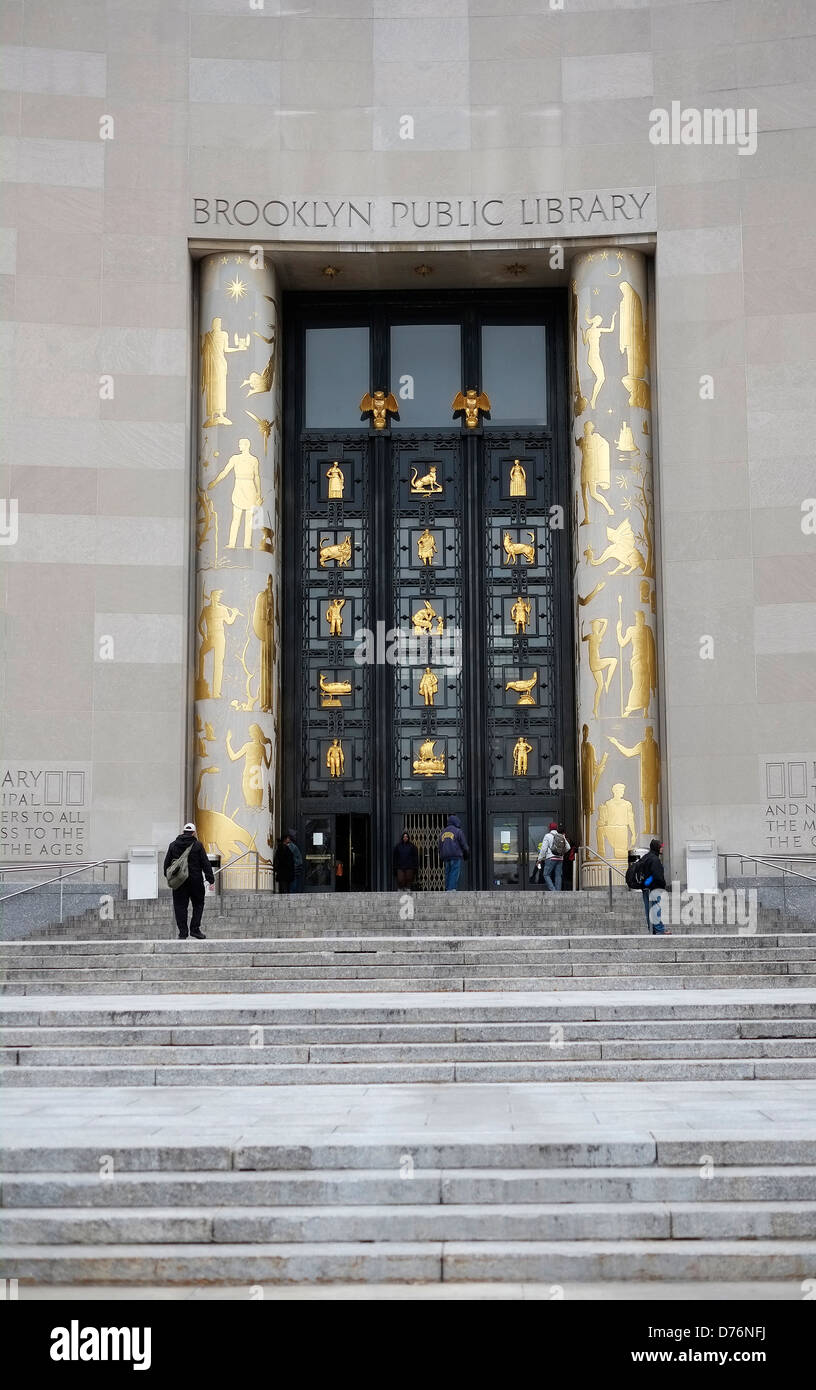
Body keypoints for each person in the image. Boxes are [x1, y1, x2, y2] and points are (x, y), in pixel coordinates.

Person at [163, 822, 214, 940]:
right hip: (195, 881)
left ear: (183, 832)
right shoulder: (198, 845)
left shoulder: (173, 845)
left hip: (179, 882)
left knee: (180, 906)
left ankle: (182, 933)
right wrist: (210, 878)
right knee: (198, 904)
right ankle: (195, 929)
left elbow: (166, 864)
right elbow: (205, 863)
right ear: (193, 832)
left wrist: (170, 877)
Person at [637, 837, 670, 935]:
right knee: (656, 909)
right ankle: (659, 929)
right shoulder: (655, 859)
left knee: (649, 910)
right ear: (656, 847)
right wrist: (663, 886)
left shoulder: (646, 857)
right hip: (654, 888)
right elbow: (657, 875)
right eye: (661, 846)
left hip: (646, 888)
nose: (662, 848)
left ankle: (652, 929)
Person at [536, 821, 570, 892]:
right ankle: (558, 892)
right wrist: (562, 853)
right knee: (558, 875)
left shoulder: (547, 836)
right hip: (560, 859)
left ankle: (553, 891)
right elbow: (568, 847)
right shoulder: (561, 835)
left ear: (549, 828)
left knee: (546, 874)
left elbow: (543, 849)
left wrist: (540, 859)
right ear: (556, 828)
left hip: (550, 858)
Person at [439, 814, 469, 891]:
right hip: (455, 855)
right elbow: (463, 844)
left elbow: (440, 845)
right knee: (454, 872)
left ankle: (447, 888)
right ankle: (451, 888)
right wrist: (466, 853)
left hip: (446, 856)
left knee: (448, 872)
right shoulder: (458, 831)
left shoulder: (443, 832)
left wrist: (441, 856)